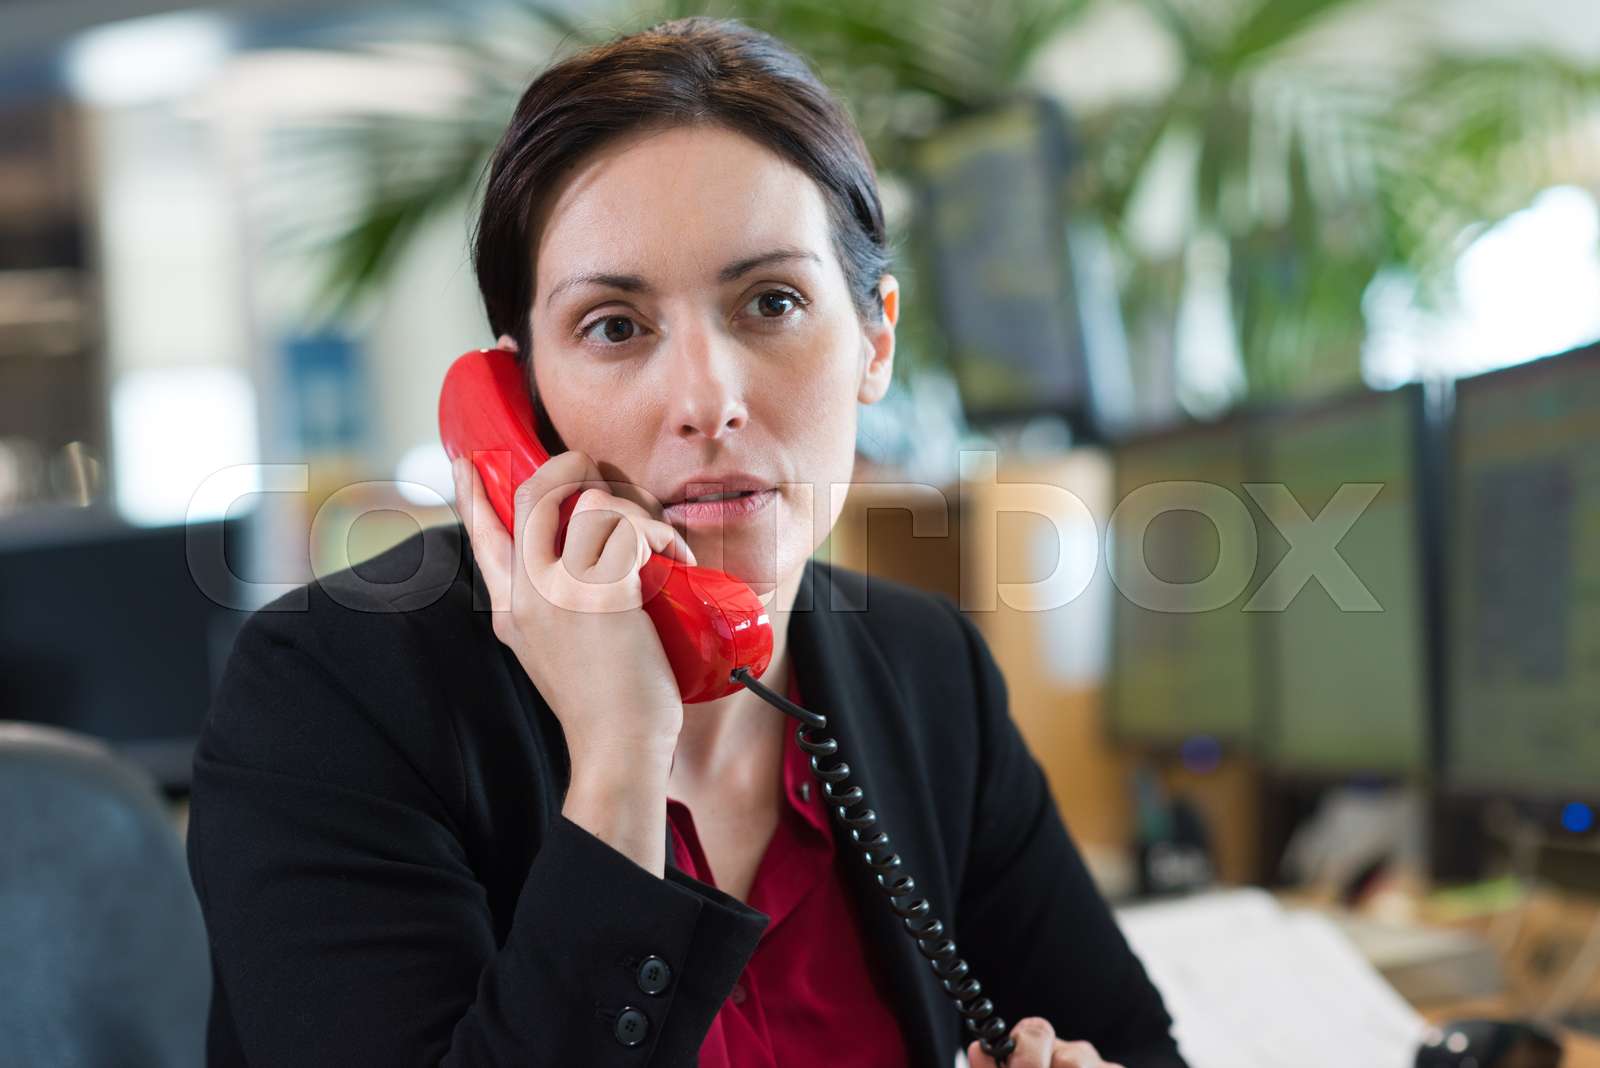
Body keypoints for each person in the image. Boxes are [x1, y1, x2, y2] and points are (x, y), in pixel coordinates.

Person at [186, 15, 1186, 1068]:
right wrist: (619, 765)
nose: (707, 401)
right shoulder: (331, 698)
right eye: (615, 326)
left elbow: (1132, 1046)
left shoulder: (926, 674)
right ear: (518, 398)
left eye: (772, 302)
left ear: (875, 338)